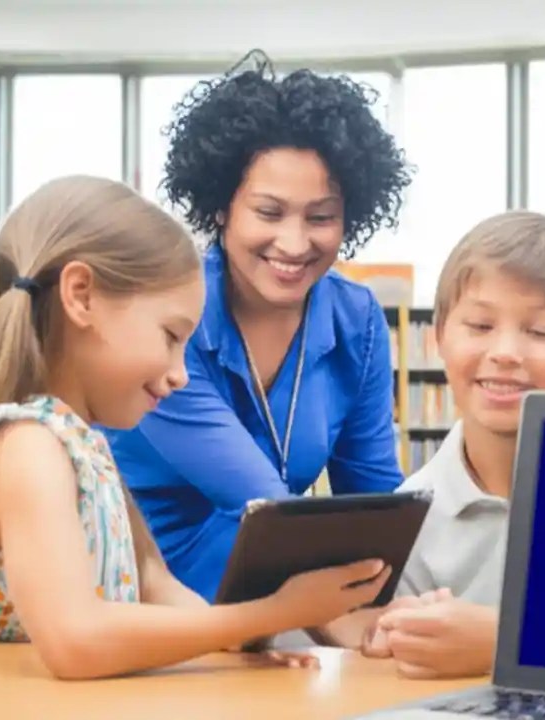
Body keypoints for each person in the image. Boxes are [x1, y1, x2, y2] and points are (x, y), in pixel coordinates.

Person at [0, 175, 391, 680]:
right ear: (81, 296)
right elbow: (75, 640)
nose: (181, 373)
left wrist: (240, 651)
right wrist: (279, 613)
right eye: (171, 336)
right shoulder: (29, 448)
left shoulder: (85, 448)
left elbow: (158, 586)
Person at [104, 50, 415, 602]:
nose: (295, 244)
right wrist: (333, 615)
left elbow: (376, 501)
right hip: (142, 609)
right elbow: (260, 504)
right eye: (269, 213)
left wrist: (395, 605)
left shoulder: (357, 320)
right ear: (221, 207)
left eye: (321, 217)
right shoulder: (171, 314)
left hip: (270, 611)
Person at [360, 210, 545, 679]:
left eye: (539, 332)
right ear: (439, 339)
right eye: (479, 326)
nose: (505, 352)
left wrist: (506, 643)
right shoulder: (409, 519)